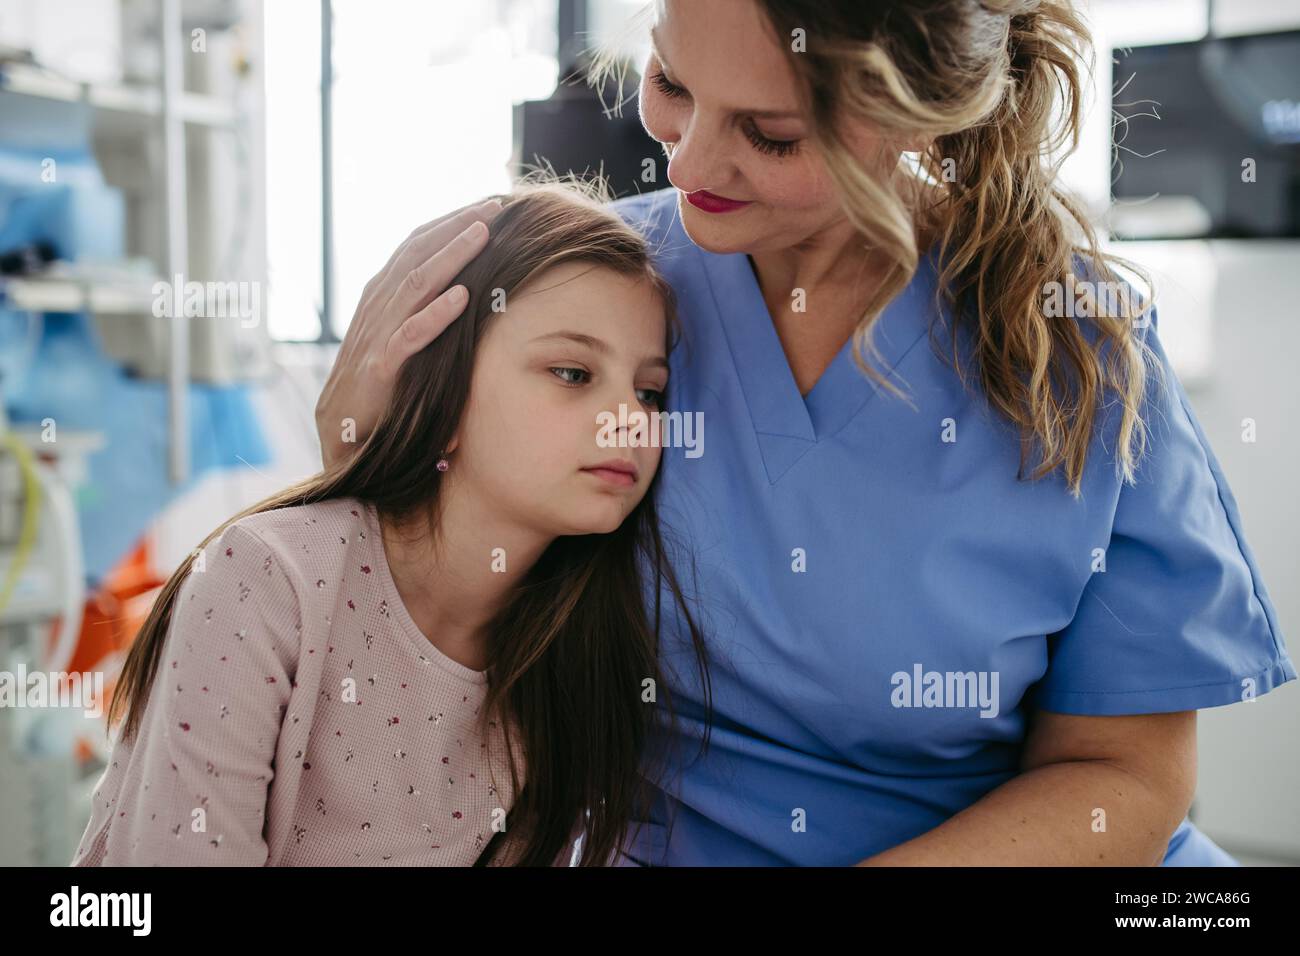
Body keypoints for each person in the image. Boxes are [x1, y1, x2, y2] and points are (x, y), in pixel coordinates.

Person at [315, 0, 1295, 865]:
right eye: (670, 82)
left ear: (915, 115)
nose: (685, 159)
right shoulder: (590, 303)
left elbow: (1121, 775)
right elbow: (427, 655)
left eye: (770, 134)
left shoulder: (1080, 347)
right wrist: (363, 475)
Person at [71, 182, 711, 867]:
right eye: (572, 372)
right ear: (444, 384)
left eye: (650, 390)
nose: (631, 419)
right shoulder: (263, 580)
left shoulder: (571, 653)